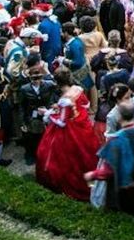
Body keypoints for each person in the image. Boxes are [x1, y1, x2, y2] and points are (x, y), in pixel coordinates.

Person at [35, 67, 101, 202]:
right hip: (82, 125)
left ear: (57, 82)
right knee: (86, 154)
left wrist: (47, 114)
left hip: (69, 132)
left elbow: (61, 122)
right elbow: (86, 105)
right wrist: (62, 109)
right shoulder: (78, 89)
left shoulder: (65, 98)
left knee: (62, 158)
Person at [17, 58, 59, 166]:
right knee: (32, 136)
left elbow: (60, 85)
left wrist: (53, 106)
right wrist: (22, 123)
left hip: (47, 114)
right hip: (32, 116)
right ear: (30, 78)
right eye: (34, 78)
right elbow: (21, 106)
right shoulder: (24, 89)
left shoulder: (49, 85)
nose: (36, 80)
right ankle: (30, 154)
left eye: (39, 77)